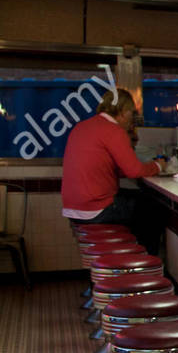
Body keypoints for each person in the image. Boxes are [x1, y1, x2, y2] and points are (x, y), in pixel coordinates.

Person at [61, 89, 167, 253]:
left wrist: (137, 168)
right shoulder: (114, 131)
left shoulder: (82, 127)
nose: (132, 118)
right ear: (123, 112)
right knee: (154, 208)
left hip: (74, 209)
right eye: (132, 113)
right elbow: (134, 171)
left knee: (138, 199)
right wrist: (159, 166)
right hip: (97, 210)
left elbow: (107, 167)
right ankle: (145, 263)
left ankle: (131, 260)